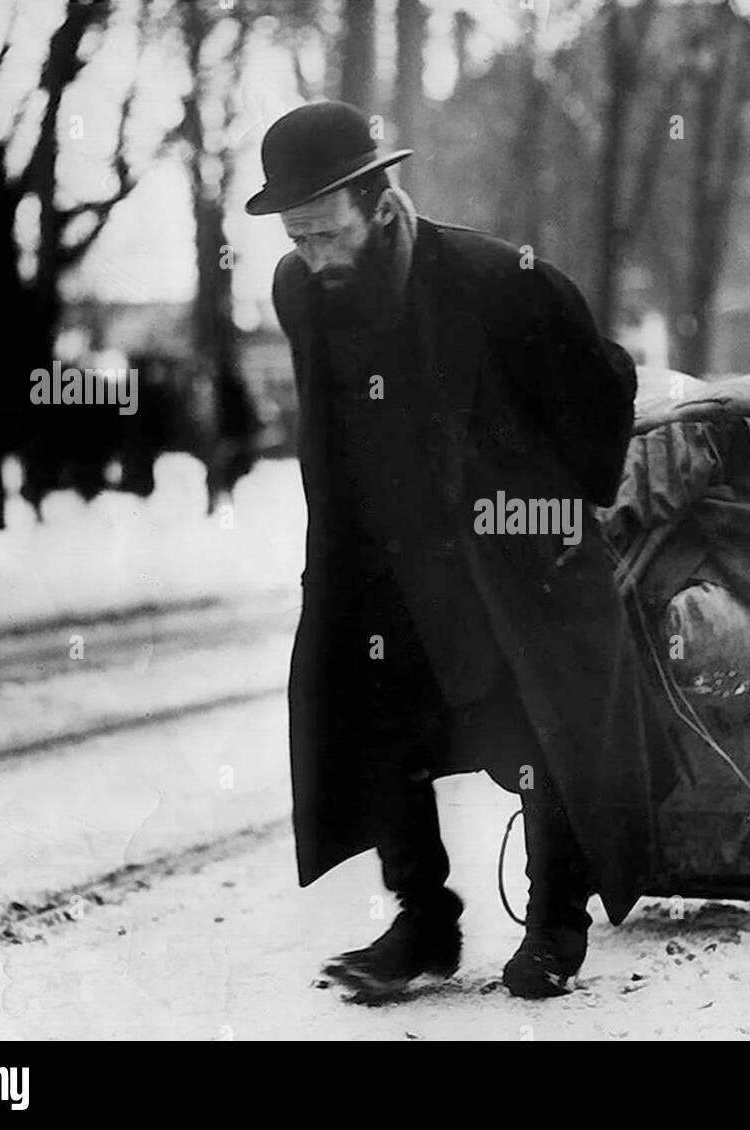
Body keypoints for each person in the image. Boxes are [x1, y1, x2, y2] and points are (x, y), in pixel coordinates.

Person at [248, 101, 669, 1001]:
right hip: (389, 558)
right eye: (298, 237)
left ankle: (556, 923)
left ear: (380, 201)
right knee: (375, 720)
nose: (313, 256)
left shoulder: (495, 280)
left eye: (326, 233)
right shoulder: (300, 290)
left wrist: (552, 516)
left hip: (517, 558)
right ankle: (424, 924)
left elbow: (604, 391)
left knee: (541, 729)